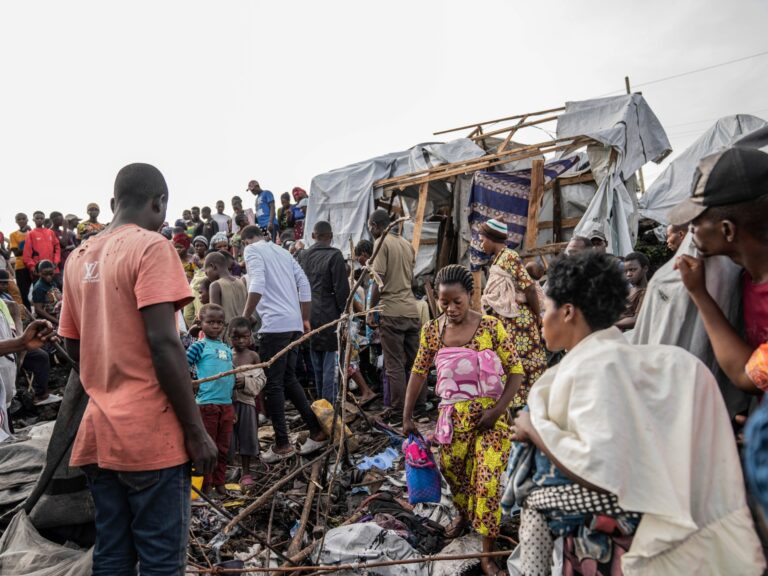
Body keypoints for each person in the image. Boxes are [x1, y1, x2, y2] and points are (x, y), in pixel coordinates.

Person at [507, 252, 765, 575]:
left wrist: (535, 430)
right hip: (662, 503)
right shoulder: (629, 356)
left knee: (531, 501)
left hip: (622, 511)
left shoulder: (596, 367)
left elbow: (598, 466)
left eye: (546, 309)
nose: (541, 319)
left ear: (568, 312)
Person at [58, 162, 217, 575]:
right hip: (151, 439)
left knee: (112, 554)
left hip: (99, 435)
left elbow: (72, 345)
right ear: (159, 203)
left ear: (113, 204)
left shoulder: (77, 258)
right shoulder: (151, 247)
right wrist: (196, 431)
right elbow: (164, 343)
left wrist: (106, 374)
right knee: (162, 561)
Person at [402, 265, 524, 576]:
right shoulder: (432, 331)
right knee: (456, 476)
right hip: (452, 421)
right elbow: (418, 372)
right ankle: (464, 515)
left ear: (471, 296)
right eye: (445, 302)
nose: (451, 308)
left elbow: (515, 371)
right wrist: (407, 415)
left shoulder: (491, 327)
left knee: (487, 482)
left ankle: (487, 554)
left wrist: (496, 412)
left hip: (490, 420)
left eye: (457, 301)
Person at [241, 224, 328, 462]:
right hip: (293, 324)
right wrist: (305, 318)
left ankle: (282, 444)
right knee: (288, 379)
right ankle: (317, 430)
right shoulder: (281, 251)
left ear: (246, 241)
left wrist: (244, 317)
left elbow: (257, 283)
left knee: (274, 385)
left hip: (275, 326)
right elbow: (305, 286)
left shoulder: (251, 250)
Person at [479, 218, 547, 407]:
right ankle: (516, 405)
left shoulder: (509, 256)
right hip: (511, 323)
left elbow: (529, 288)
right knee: (513, 363)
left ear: (492, 239)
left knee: (524, 363)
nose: (481, 243)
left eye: (482, 239)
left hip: (520, 323)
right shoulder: (499, 259)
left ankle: (530, 408)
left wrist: (536, 316)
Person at [367, 209, 425, 417]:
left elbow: (378, 281)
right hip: (411, 310)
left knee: (394, 365)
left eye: (370, 226)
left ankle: (398, 410)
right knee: (415, 363)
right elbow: (413, 281)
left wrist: (371, 310)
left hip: (391, 311)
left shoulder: (381, 243)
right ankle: (419, 409)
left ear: (374, 225)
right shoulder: (407, 244)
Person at [186, 303, 235, 497]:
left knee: (223, 447)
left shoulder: (226, 348)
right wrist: (192, 384)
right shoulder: (199, 346)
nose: (215, 326)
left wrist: (233, 405)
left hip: (226, 405)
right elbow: (182, 365)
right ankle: (206, 485)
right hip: (207, 404)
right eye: (211, 322)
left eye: (219, 323)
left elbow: (231, 376)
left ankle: (219, 482)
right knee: (208, 446)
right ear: (201, 323)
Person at [300, 221, 350, 403]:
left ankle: (321, 404)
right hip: (330, 314)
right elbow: (342, 290)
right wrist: (345, 315)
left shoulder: (303, 256)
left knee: (317, 362)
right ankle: (328, 406)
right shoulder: (335, 255)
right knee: (330, 364)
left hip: (309, 314)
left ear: (313, 236)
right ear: (331, 237)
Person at [228, 317, 265, 487]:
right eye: (236, 337)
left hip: (248, 403)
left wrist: (245, 382)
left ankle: (246, 471)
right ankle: (230, 469)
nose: (241, 341)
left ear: (250, 336)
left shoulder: (253, 356)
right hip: (229, 403)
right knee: (230, 438)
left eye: (245, 337)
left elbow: (261, 380)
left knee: (248, 436)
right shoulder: (227, 355)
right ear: (229, 337)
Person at [206, 251, 247, 325]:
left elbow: (215, 316)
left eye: (206, 273)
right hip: (245, 331)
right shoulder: (241, 282)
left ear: (213, 266)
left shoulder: (215, 285)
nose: (207, 277)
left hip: (227, 333)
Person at [614, 251, 649, 332]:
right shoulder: (628, 290)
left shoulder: (646, 292)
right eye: (626, 271)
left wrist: (612, 324)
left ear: (645, 269)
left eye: (633, 270)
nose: (628, 274)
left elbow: (636, 319)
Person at [23, 210, 61, 284]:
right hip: (39, 271)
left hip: (53, 269)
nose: (39, 220)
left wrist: (56, 261)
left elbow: (57, 248)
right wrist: (32, 267)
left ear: (44, 219)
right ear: (33, 220)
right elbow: (26, 254)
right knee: (40, 292)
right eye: (37, 218)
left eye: (41, 218)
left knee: (56, 291)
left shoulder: (50, 232)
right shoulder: (31, 234)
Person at [9, 214, 32, 309]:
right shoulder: (13, 235)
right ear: (16, 221)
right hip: (21, 266)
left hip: (33, 265)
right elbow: (16, 253)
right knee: (23, 292)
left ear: (27, 220)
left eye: (23, 218)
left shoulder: (33, 232)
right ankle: (28, 313)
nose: (22, 221)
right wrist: (28, 242)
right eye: (19, 219)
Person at [31, 260, 62, 326]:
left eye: (51, 273)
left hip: (57, 317)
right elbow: (38, 309)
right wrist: (57, 321)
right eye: (45, 274)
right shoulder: (39, 288)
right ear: (39, 273)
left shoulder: (53, 283)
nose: (48, 276)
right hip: (49, 323)